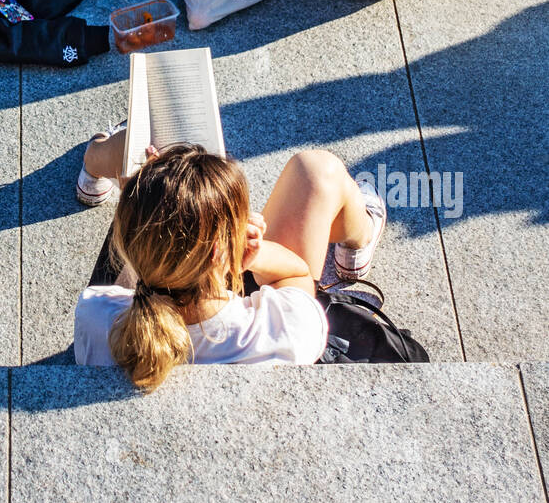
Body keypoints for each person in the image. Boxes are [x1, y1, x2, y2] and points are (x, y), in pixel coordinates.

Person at [73, 137, 387, 392]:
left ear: (127, 242)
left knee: (136, 142)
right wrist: (254, 252)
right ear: (223, 252)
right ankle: (358, 243)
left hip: (185, 260)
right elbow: (298, 273)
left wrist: (145, 202)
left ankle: (94, 164)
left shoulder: (96, 316)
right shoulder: (283, 329)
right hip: (217, 274)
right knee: (317, 171)